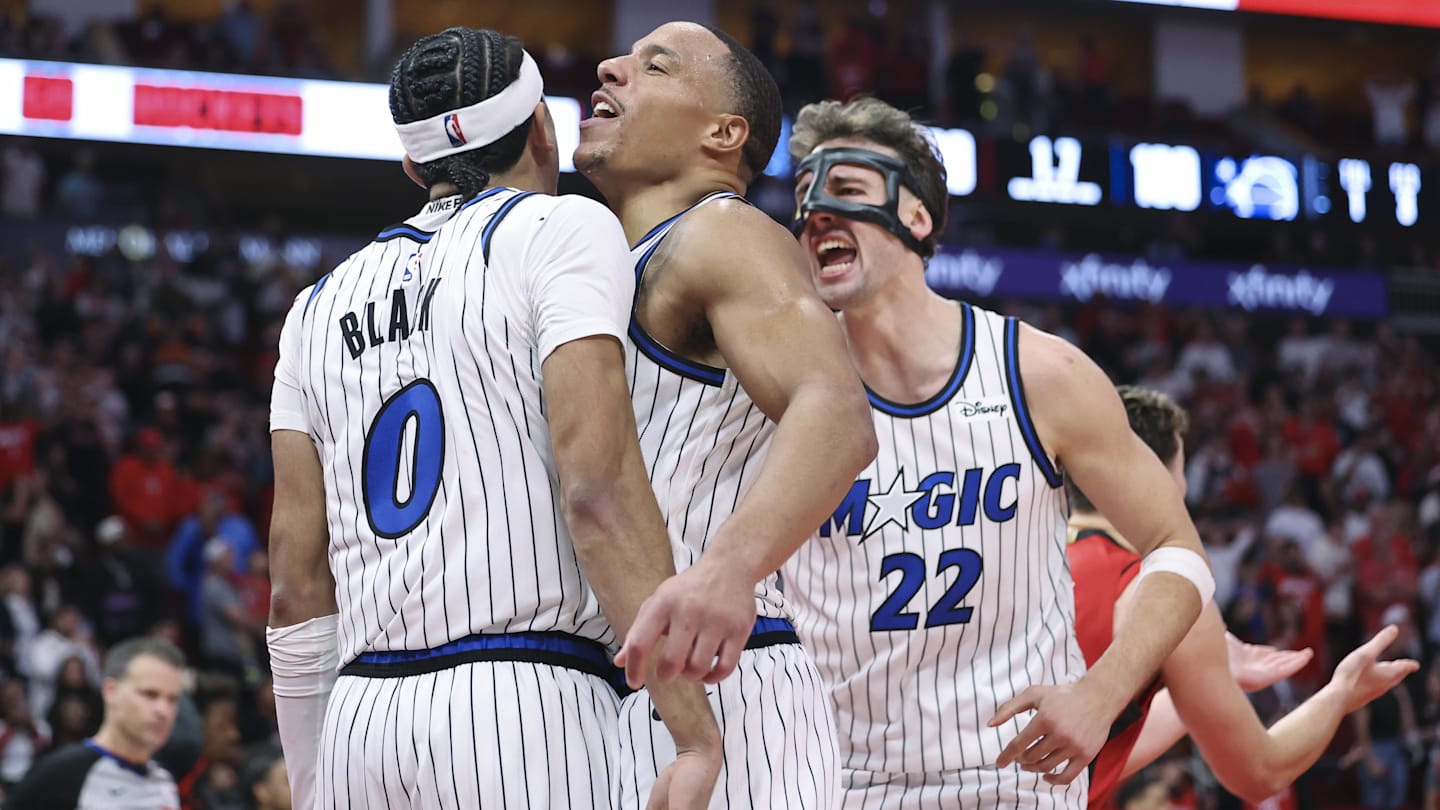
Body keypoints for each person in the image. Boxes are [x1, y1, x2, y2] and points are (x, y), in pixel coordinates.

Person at [266, 26, 728, 810]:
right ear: (542, 129)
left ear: (413, 164)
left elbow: (293, 583)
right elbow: (598, 489)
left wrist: (312, 781)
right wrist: (692, 730)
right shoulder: (564, 229)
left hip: (359, 718)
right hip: (521, 700)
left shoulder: (312, 308)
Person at [780, 96, 1212, 808]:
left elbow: (1179, 551)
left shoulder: (1040, 373)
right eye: (803, 197)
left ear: (916, 217)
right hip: (835, 783)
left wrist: (1103, 692)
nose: (816, 212)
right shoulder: (782, 389)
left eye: (846, 191)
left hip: (1011, 782)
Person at [575, 21, 877, 810]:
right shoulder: (603, 265)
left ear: (723, 133)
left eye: (655, 66)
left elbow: (838, 411)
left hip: (721, 682)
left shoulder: (723, 231)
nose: (610, 67)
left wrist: (729, 567)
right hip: (627, 685)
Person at [1068, 385, 1420, 806]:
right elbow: (1260, 773)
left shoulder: (1014, 557)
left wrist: (1203, 686)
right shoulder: (1167, 592)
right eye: (1181, 470)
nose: (1182, 490)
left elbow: (1064, 767)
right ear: (1154, 476)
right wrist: (1341, 691)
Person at [4, 637, 184, 810]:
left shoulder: (165, 781)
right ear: (111, 692)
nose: (163, 710)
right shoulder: (63, 773)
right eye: (149, 694)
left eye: (172, 699)